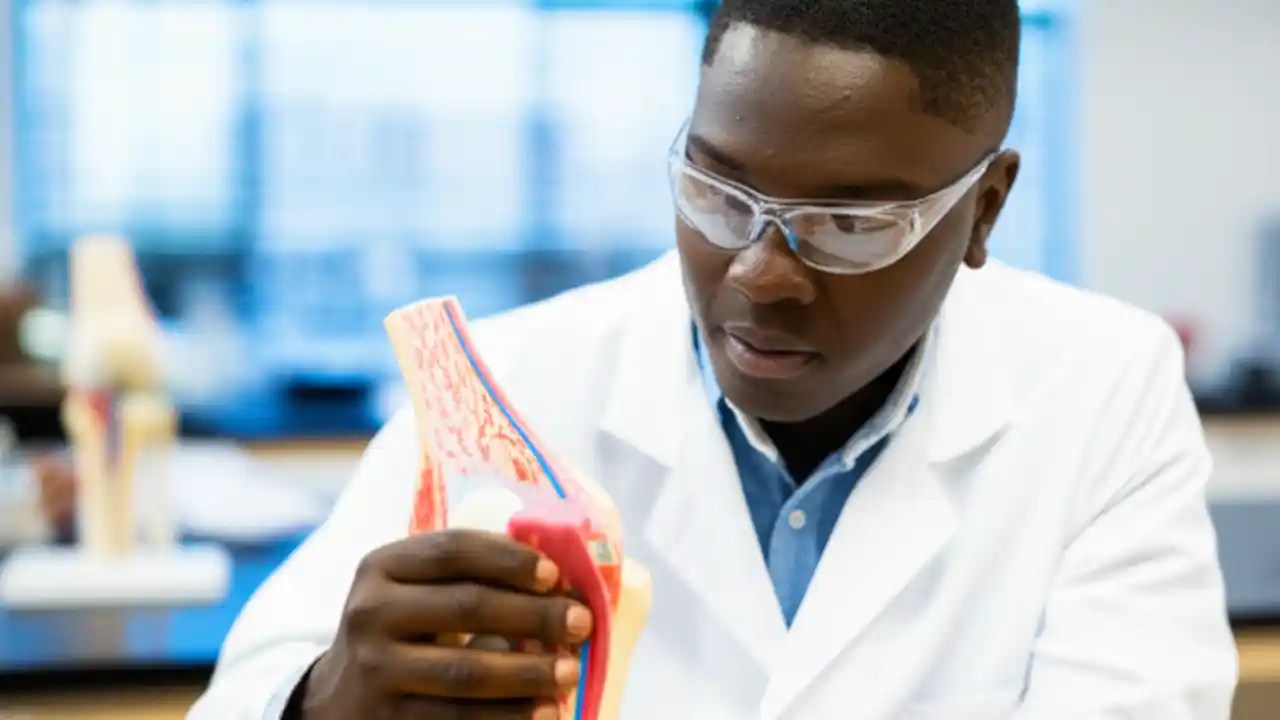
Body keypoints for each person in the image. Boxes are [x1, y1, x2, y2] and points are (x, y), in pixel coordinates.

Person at [192, 1, 1238, 717]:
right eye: (717, 191)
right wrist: (322, 701)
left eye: (845, 223)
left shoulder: (1101, 383)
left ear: (984, 210)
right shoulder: (509, 382)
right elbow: (247, 694)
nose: (756, 276)